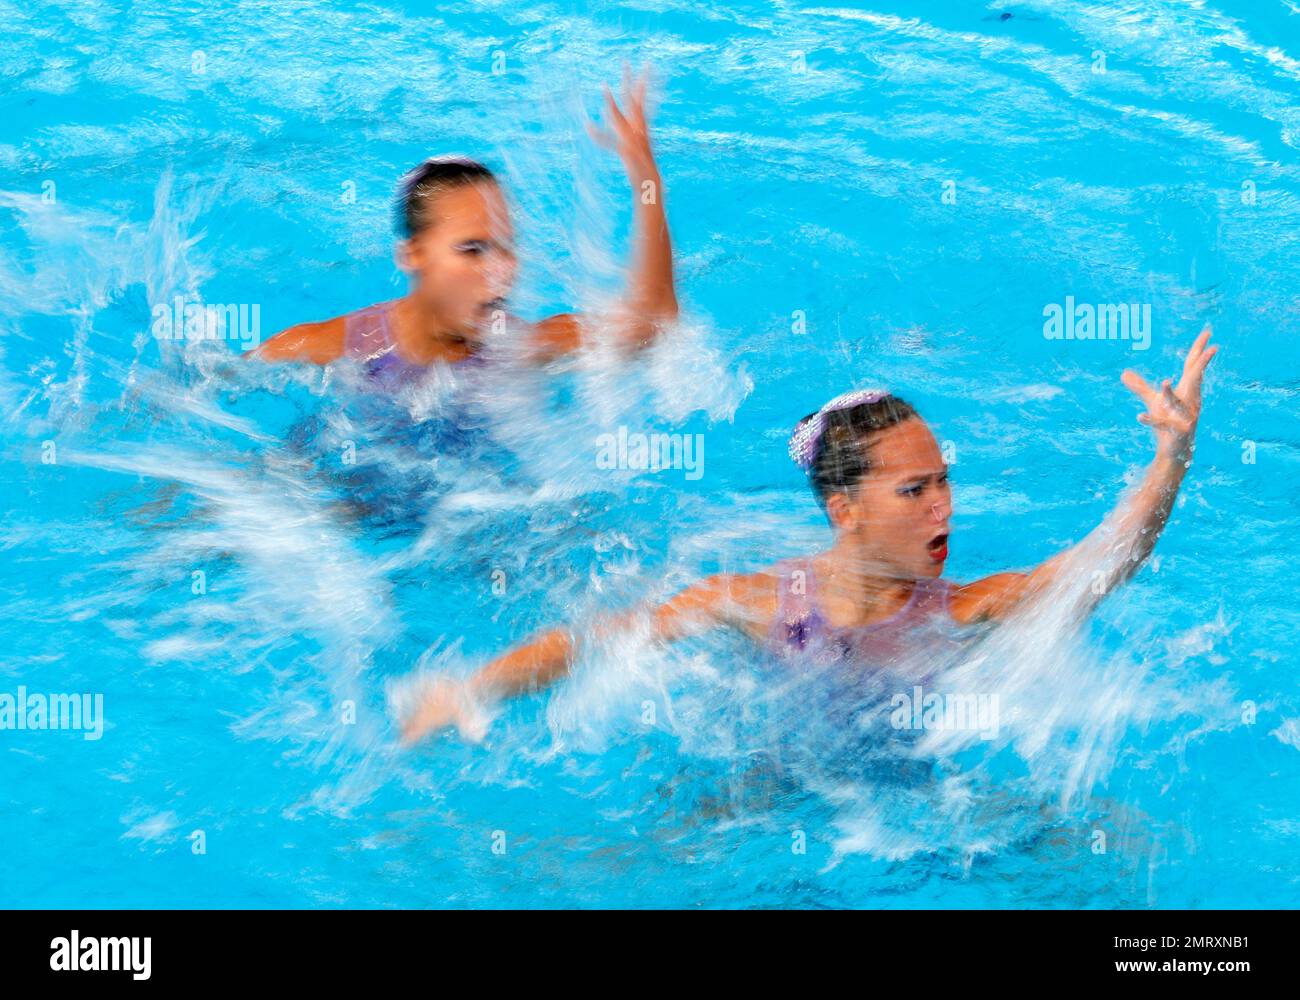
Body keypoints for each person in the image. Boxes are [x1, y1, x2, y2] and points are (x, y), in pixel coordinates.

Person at [399, 328, 1218, 745]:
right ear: (845, 511)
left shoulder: (961, 609)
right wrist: (467, 690)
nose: (944, 508)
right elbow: (596, 642)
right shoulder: (761, 601)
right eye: (914, 489)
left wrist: (1171, 459)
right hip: (768, 792)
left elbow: (1104, 561)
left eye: (944, 483)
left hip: (914, 809)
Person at [252, 69, 678, 380]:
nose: (500, 270)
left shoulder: (516, 346)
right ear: (414, 255)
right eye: (471, 249)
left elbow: (654, 325)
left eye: (505, 247)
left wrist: (647, 179)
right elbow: (219, 383)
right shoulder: (335, 347)